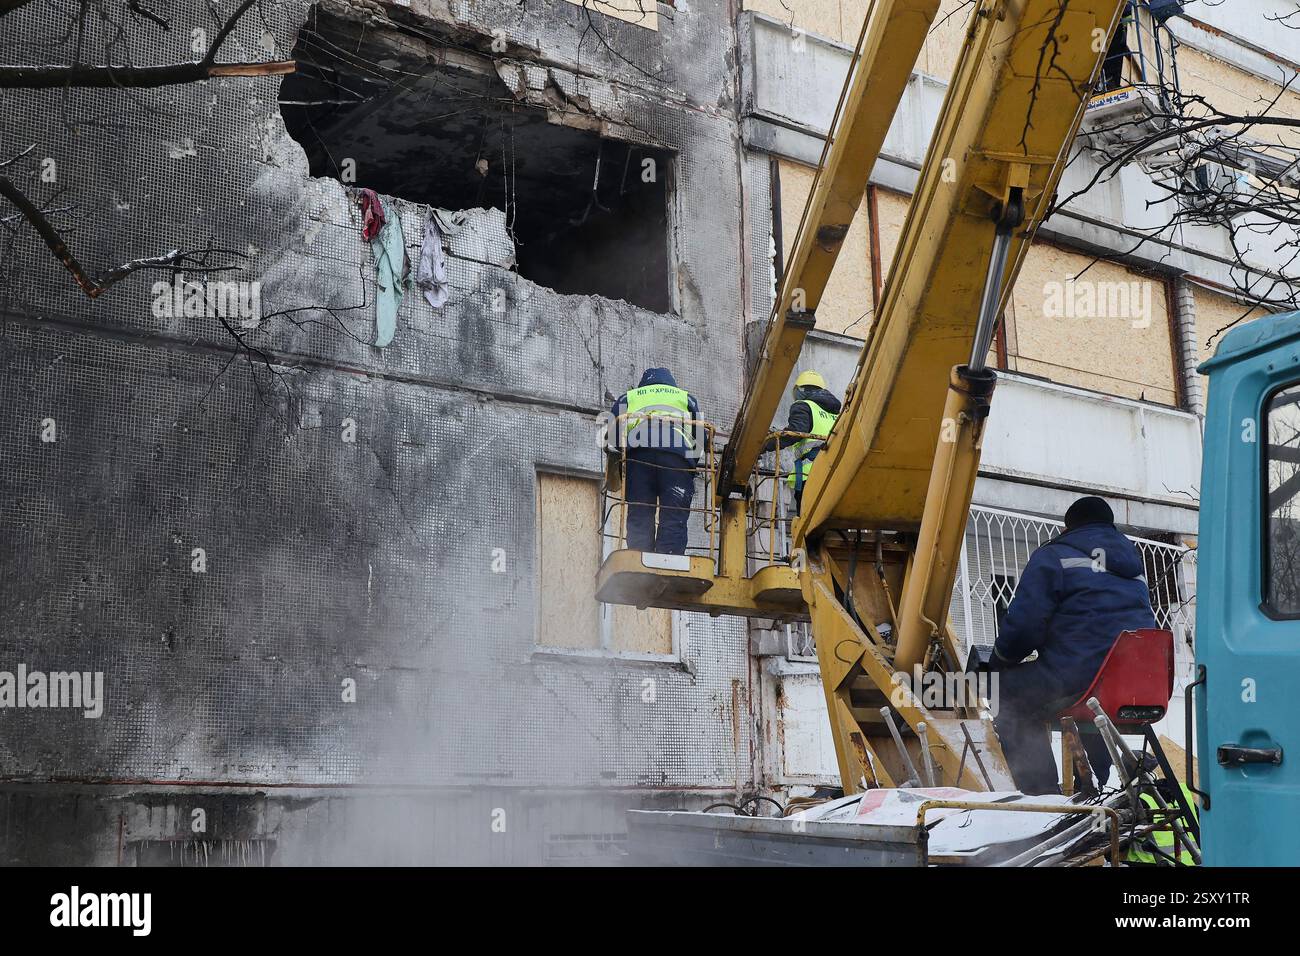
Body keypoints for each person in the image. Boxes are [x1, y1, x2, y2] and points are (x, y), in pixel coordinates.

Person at [990, 496, 1157, 794]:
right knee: (1093, 687)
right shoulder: (1134, 565)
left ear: (1070, 527)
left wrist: (1000, 660)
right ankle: (1095, 781)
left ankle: (1040, 799)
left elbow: (1024, 629)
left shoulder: (1054, 556)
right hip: (1137, 686)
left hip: (1080, 680)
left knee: (1004, 692)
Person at [610, 368, 702, 555]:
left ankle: (639, 560)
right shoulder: (687, 399)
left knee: (640, 513)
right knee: (673, 514)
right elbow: (700, 441)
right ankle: (669, 560)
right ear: (671, 383)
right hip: (677, 460)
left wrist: (624, 458)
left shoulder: (628, 398)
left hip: (639, 459)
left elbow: (612, 438)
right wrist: (688, 464)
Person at [762, 370, 842, 513]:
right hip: (838, 472)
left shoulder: (803, 406)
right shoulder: (836, 413)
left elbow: (795, 432)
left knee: (807, 518)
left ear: (799, 391)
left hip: (812, 474)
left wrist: (764, 444)